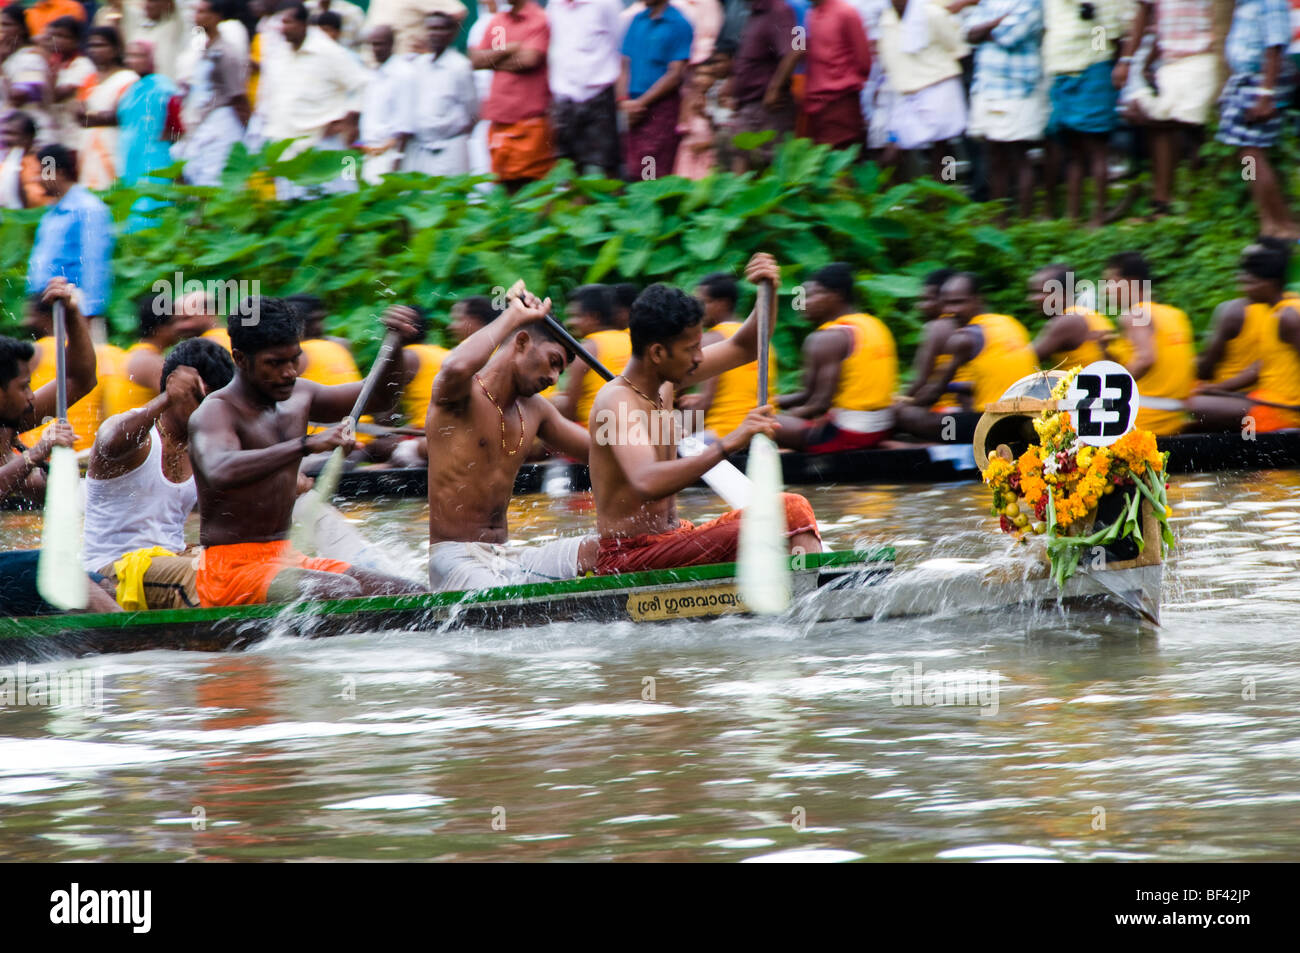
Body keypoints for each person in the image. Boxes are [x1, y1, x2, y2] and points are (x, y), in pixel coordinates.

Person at [589, 256, 822, 575]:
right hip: (628, 557)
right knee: (786, 516)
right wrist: (730, 442)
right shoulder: (617, 401)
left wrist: (766, 293)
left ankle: (807, 590)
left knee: (790, 508)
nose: (699, 358)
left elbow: (746, 346)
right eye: (691, 349)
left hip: (674, 537)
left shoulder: (665, 381)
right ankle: (805, 598)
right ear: (657, 353)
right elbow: (647, 481)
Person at [188, 297, 423, 606]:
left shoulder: (301, 394)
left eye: (294, 360)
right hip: (230, 570)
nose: (288, 373)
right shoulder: (216, 412)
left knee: (412, 596)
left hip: (287, 558)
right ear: (241, 359)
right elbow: (220, 470)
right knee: (341, 591)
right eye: (274, 363)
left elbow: (381, 399)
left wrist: (395, 346)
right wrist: (306, 444)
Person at [424, 289, 595, 591]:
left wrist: (652, 430)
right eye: (553, 361)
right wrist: (512, 315)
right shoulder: (460, 393)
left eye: (561, 370)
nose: (555, 378)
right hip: (454, 558)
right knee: (506, 601)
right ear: (522, 342)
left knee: (601, 551)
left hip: (506, 555)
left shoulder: (537, 410)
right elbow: (455, 366)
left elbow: (599, 451)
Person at [83, 338, 235, 610]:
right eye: (203, 400)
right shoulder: (136, 438)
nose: (213, 412)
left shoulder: (203, 445)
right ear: (174, 389)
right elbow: (108, 441)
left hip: (172, 560)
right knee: (202, 573)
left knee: (243, 562)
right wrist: (166, 398)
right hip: (112, 569)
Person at [0, 287, 120, 616]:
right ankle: (142, 653)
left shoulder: (12, 418)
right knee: (60, 568)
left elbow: (80, 377)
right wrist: (36, 453)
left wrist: (71, 316)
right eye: (24, 387)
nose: (30, 398)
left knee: (105, 582)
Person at [895, 271, 1038, 442]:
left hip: (991, 426)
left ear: (978, 299)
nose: (950, 311)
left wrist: (903, 404)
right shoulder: (1011, 323)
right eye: (947, 304)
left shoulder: (964, 339)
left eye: (958, 303)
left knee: (904, 415)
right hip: (1028, 420)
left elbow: (933, 392)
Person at [771, 262, 897, 451]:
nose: (804, 303)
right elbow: (808, 395)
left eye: (813, 295)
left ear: (836, 295)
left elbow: (819, 404)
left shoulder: (827, 338)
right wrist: (771, 402)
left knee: (760, 421)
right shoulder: (875, 324)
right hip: (884, 428)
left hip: (850, 433)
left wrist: (777, 415)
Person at [1113, 0, 1216, 218]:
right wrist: (1125, 60)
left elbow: (1100, 28)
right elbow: (1110, 28)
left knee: (1206, 131)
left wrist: (1103, 52)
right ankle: (1160, 200)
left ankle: (1209, 198)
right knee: (1155, 123)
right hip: (1160, 57)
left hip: (1204, 57)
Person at [1043, 0, 1128, 225]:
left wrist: (1098, 59)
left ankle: (1097, 216)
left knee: (1096, 147)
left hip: (1093, 71)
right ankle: (1073, 217)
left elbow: (1106, 36)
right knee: (1072, 150)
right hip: (1061, 73)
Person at [1217, 0, 1296, 238]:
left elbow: (1275, 46)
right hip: (1246, 81)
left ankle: (1280, 223)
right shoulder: (1244, 4)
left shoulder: (1270, 2)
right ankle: (1267, 219)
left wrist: (1266, 93)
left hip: (1260, 83)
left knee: (1252, 153)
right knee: (1247, 155)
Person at [17, 289, 124, 453]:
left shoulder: (34, 352)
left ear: (45, 317)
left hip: (51, 457)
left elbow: (81, 382)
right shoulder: (110, 354)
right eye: (24, 386)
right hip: (83, 455)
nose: (26, 322)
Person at [965, 0, 1045, 218]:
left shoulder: (1030, 2)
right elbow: (968, 34)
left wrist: (986, 29)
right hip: (986, 85)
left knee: (1019, 156)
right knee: (994, 155)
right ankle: (1000, 220)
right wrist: (996, 23)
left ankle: (1024, 223)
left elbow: (1010, 37)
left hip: (1019, 88)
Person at [259, 3, 367, 162]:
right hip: (285, 144)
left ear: (303, 24)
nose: (282, 28)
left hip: (322, 145)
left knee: (341, 182)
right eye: (281, 23)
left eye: (287, 22)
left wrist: (349, 120)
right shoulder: (280, 52)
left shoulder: (328, 51)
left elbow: (364, 85)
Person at [680, 270, 777, 438]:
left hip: (724, 433)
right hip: (766, 430)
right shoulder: (762, 341)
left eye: (702, 303)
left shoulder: (713, 338)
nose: (697, 310)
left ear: (721, 304)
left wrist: (677, 435)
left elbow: (706, 402)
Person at [1108, 251, 1196, 435]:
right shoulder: (1176, 315)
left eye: (1110, 281)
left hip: (1144, 419)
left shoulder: (1135, 314)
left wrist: (1110, 389)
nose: (1106, 289)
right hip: (1176, 415)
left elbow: (1145, 358)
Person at [26, 143, 115, 323]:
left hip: (72, 309)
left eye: (41, 172)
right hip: (48, 309)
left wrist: (88, 312)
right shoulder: (52, 212)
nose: (37, 179)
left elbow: (94, 262)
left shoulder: (88, 209)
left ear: (58, 172)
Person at [876, 0, 968, 174]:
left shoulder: (932, 13)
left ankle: (946, 193)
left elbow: (956, 47)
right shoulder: (887, 20)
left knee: (943, 147)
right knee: (894, 149)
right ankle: (906, 198)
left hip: (939, 89)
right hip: (905, 94)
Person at [470, 0, 551, 189]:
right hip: (499, 122)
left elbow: (529, 59)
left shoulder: (539, 19)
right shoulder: (499, 21)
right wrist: (509, 48)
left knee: (533, 192)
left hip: (530, 123)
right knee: (503, 189)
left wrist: (494, 60)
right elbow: (476, 60)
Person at [173, 0, 249, 187]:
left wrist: (248, 134)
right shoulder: (205, 48)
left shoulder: (225, 52)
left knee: (216, 180)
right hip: (205, 121)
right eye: (196, 12)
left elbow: (238, 97)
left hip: (223, 122)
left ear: (217, 17)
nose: (197, 17)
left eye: (203, 12)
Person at [546, 0, 622, 178]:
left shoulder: (607, 4)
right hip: (564, 97)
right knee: (569, 168)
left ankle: (612, 206)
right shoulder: (554, 6)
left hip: (600, 95)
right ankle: (576, 206)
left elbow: (619, 44)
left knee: (607, 166)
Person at [722, 0, 800, 172]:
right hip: (748, 105)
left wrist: (774, 88)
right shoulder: (753, 13)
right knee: (741, 163)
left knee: (768, 167)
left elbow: (797, 49)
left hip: (768, 106)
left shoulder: (780, 10)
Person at [619, 0, 693, 179]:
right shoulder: (637, 20)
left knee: (650, 166)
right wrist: (624, 101)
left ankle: (649, 202)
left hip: (659, 109)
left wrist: (641, 103)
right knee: (630, 166)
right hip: (631, 108)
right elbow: (624, 64)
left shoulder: (679, 23)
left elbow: (675, 74)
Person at [404, 12, 477, 176]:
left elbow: (472, 111)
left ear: (451, 34)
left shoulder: (460, 66)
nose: (434, 34)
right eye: (431, 29)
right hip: (421, 150)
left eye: (440, 29)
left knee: (451, 198)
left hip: (451, 149)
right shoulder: (419, 64)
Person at [1240, 239, 1300, 430]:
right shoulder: (1270, 312)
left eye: (1251, 282)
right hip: (1268, 397)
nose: (1245, 287)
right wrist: (1218, 388)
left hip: (1285, 408)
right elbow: (1261, 365)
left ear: (1270, 284)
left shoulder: (1289, 316)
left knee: (1198, 407)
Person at [1027, 261, 1129, 371]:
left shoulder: (1068, 321)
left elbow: (1021, 360)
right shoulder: (1088, 314)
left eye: (1040, 292)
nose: (1032, 298)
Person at [116, 38, 177, 216]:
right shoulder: (130, 90)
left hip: (155, 155)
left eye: (140, 55)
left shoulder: (164, 86)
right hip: (131, 157)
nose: (134, 60)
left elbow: (176, 125)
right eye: (131, 55)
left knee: (153, 204)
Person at [555, 284, 632, 426]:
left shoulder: (588, 349)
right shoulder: (632, 340)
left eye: (574, 316)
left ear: (593, 317)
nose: (569, 322)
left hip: (595, 437)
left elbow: (570, 409)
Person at [117, 292, 206, 413]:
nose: (181, 327)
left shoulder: (133, 353)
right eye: (176, 322)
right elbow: (183, 406)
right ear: (160, 329)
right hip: (138, 430)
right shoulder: (151, 363)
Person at [75, 26, 139, 189]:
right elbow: (79, 115)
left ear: (116, 49)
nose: (95, 50)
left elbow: (119, 115)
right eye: (91, 46)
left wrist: (92, 117)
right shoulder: (89, 79)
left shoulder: (128, 78)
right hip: (88, 147)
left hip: (115, 143)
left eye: (101, 45)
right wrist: (96, 117)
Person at [803, 0, 871, 150]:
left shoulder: (846, 13)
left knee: (841, 164)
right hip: (814, 108)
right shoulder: (807, 16)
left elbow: (864, 62)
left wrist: (840, 79)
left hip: (841, 102)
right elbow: (797, 51)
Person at [902, 267, 963, 411]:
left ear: (944, 298)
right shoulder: (969, 323)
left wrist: (901, 401)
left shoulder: (935, 328)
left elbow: (920, 381)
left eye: (926, 299)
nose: (920, 306)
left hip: (947, 410)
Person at [358, 24, 411, 182]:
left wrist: (395, 164)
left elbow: (405, 126)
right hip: (369, 155)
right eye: (372, 44)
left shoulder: (403, 73)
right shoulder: (375, 74)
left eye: (379, 43)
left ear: (391, 44)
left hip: (390, 156)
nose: (375, 49)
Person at [0, 111, 50, 208]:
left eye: (12, 134)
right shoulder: (6, 164)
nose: (6, 139)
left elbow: (39, 202)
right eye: (4, 133)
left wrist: (15, 169)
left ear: (28, 138)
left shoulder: (45, 162)